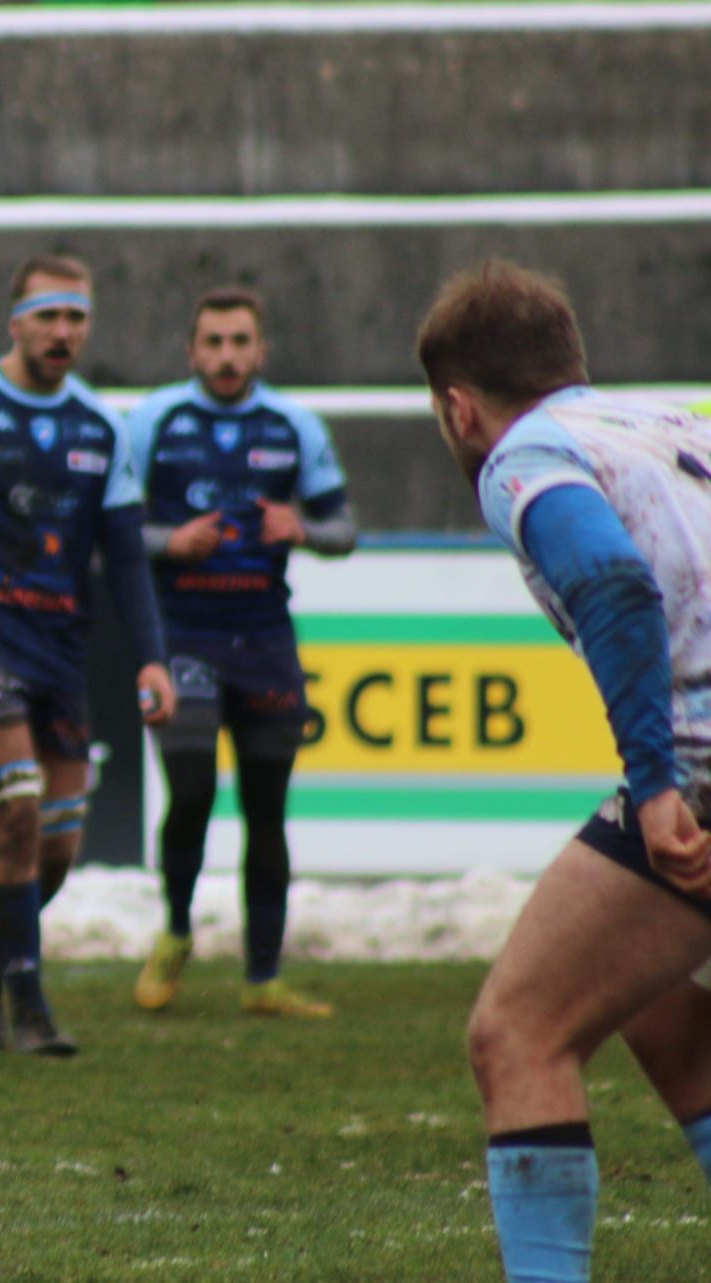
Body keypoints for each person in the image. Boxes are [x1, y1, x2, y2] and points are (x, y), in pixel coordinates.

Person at [416, 260, 711, 1282]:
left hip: (701, 766)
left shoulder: (520, 455)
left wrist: (656, 779)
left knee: (518, 1032)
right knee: (645, 994)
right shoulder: (669, 423)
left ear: (458, 406)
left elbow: (611, 583)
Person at [0, 255, 175, 1056]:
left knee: (58, 848)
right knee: (18, 806)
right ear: (15, 322)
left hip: (58, 648)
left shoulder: (104, 427)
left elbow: (127, 553)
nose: (62, 331)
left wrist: (153, 657)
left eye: (75, 317)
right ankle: (28, 1005)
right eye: (47, 315)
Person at [124, 286, 357, 1018]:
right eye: (214, 342)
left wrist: (304, 528)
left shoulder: (295, 425)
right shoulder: (154, 421)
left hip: (264, 640)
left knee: (267, 809)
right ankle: (176, 931)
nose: (227, 356)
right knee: (190, 792)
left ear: (261, 350)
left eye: (240, 342)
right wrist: (171, 541)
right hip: (181, 638)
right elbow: (115, 531)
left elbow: (344, 528)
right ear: (192, 351)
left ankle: (263, 977)